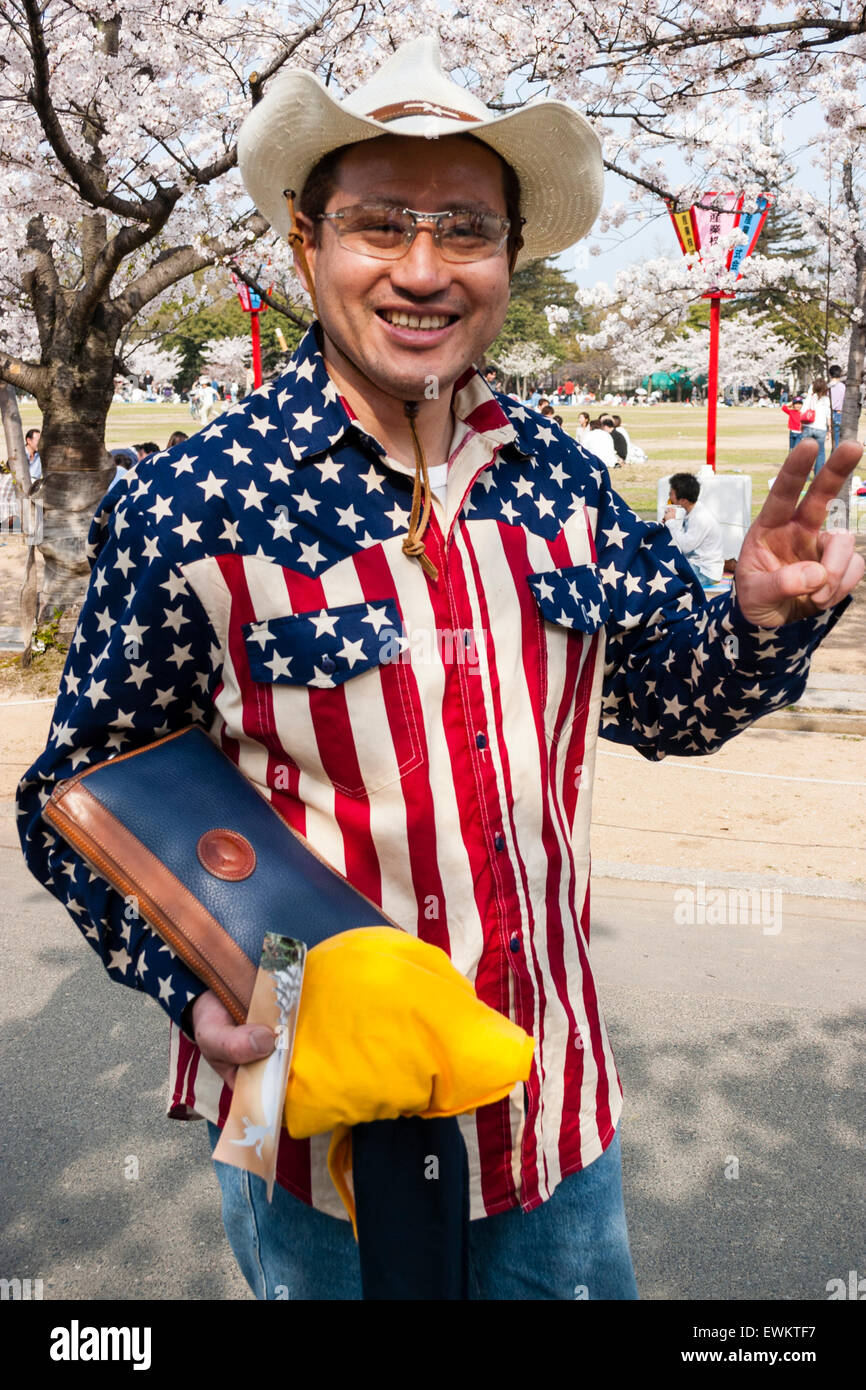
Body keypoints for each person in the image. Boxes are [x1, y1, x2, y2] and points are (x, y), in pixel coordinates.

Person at [17, 35, 864, 1305]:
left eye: (464, 230)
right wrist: (182, 989)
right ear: (308, 245)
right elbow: (78, 792)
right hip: (321, 1140)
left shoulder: (559, 479)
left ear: (510, 258)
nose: (422, 270)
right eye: (378, 224)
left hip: (550, 1115)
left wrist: (750, 618)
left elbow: (665, 704)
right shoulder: (198, 499)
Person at [664, 472, 726, 587]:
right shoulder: (692, 511)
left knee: (665, 579)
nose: (669, 495)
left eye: (671, 493)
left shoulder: (700, 518)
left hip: (705, 571)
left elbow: (685, 547)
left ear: (683, 500)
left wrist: (671, 523)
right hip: (696, 564)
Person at [800, 378, 831, 475]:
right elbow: (828, 415)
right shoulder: (826, 399)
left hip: (809, 426)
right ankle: (818, 475)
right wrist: (829, 429)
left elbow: (803, 411)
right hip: (821, 428)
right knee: (820, 452)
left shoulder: (810, 397)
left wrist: (801, 425)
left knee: (806, 452)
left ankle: (805, 474)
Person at [828, 365, 845, 449]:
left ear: (830, 374)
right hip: (839, 413)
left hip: (828, 413)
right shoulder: (843, 387)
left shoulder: (827, 387)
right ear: (840, 374)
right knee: (837, 439)